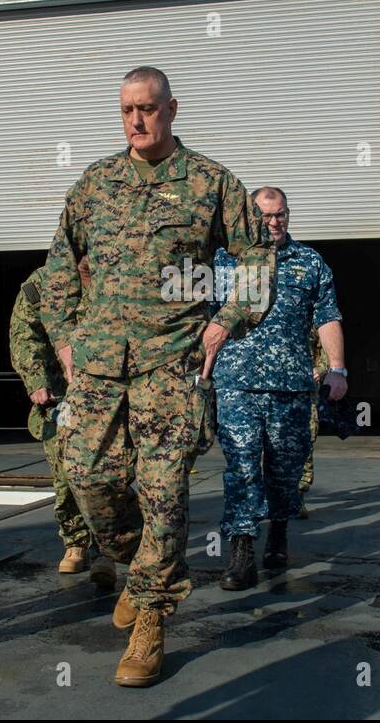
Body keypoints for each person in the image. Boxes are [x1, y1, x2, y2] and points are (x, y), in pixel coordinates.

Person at [40, 66, 276, 687]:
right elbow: (60, 265)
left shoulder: (209, 182)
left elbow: (256, 259)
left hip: (171, 365)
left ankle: (150, 614)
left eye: (147, 108)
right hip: (97, 368)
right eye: (126, 110)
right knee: (90, 482)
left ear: (172, 109)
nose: (136, 121)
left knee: (164, 492)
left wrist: (226, 322)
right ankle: (133, 560)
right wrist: (64, 339)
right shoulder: (95, 183)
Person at [213, 187, 345, 589]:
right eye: (266, 215)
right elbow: (199, 318)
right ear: (250, 217)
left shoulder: (309, 262)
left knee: (285, 471)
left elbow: (327, 316)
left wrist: (337, 368)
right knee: (241, 466)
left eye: (281, 215)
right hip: (236, 383)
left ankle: (279, 532)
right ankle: (241, 552)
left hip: (291, 386)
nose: (274, 222)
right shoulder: (222, 262)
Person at [9, 258, 118, 588]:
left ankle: (105, 551)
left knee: (108, 475)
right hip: (61, 397)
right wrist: (36, 379)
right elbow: (24, 334)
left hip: (106, 395)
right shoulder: (44, 283)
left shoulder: (116, 276)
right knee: (64, 474)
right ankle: (75, 542)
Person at [296, 329, 330, 519]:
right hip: (274, 389)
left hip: (306, 390)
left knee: (306, 440)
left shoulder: (312, 313)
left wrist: (321, 369)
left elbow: (325, 348)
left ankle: (298, 494)